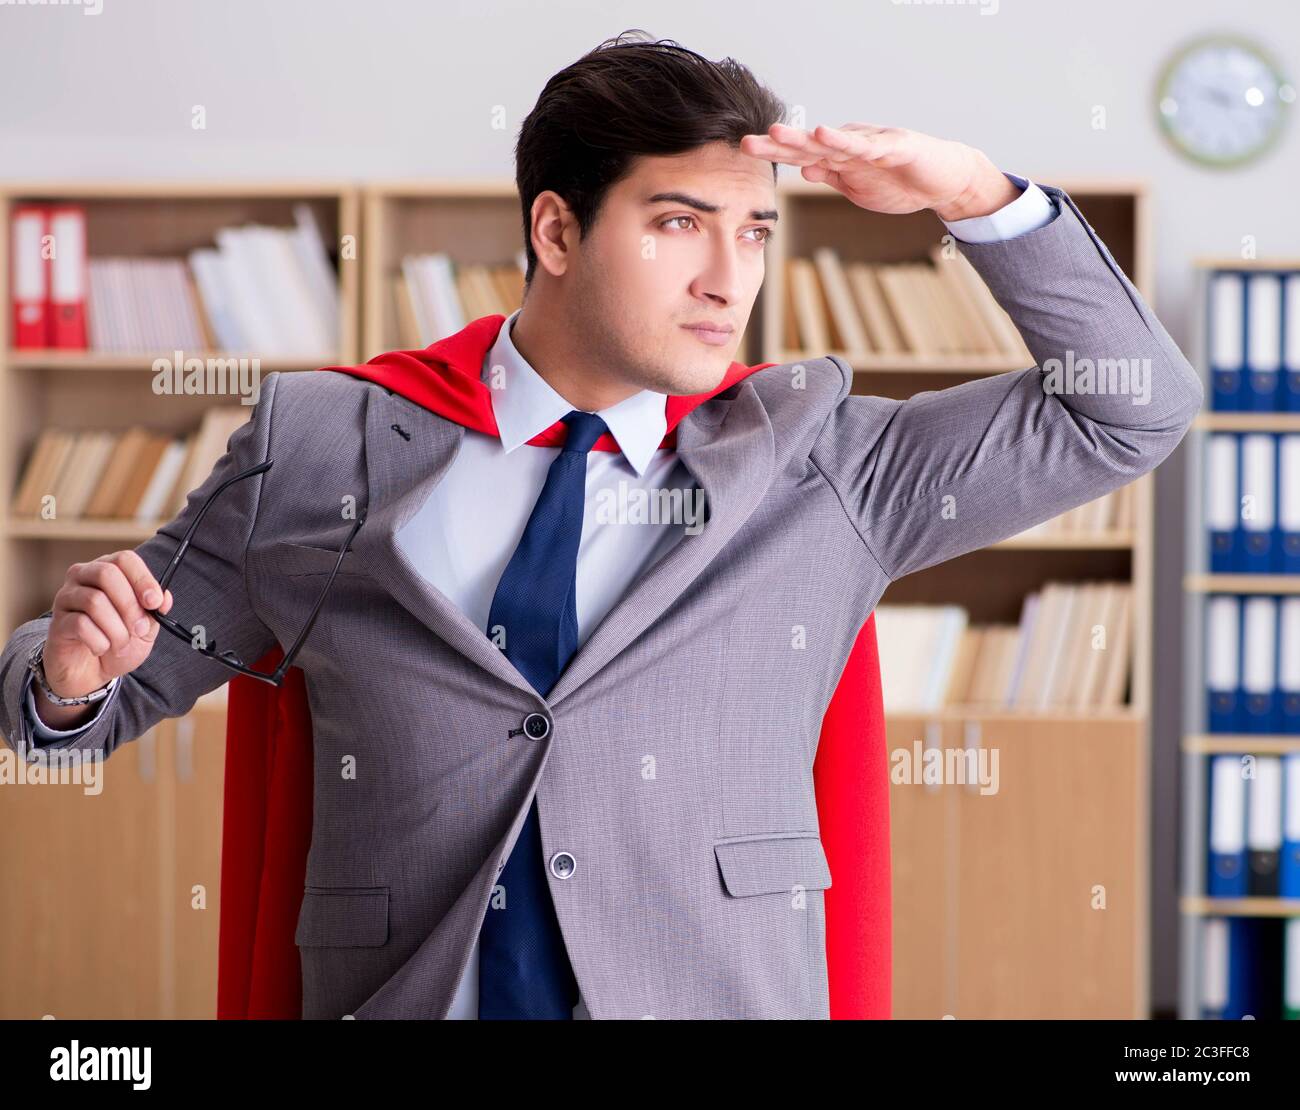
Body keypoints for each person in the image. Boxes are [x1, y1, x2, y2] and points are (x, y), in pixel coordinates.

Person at [0, 30, 1202, 1019]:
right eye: (680, 224)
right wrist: (66, 682)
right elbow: (63, 728)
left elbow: (1131, 412)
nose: (729, 279)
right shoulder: (322, 444)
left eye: (755, 233)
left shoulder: (824, 463)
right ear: (557, 232)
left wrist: (974, 195)